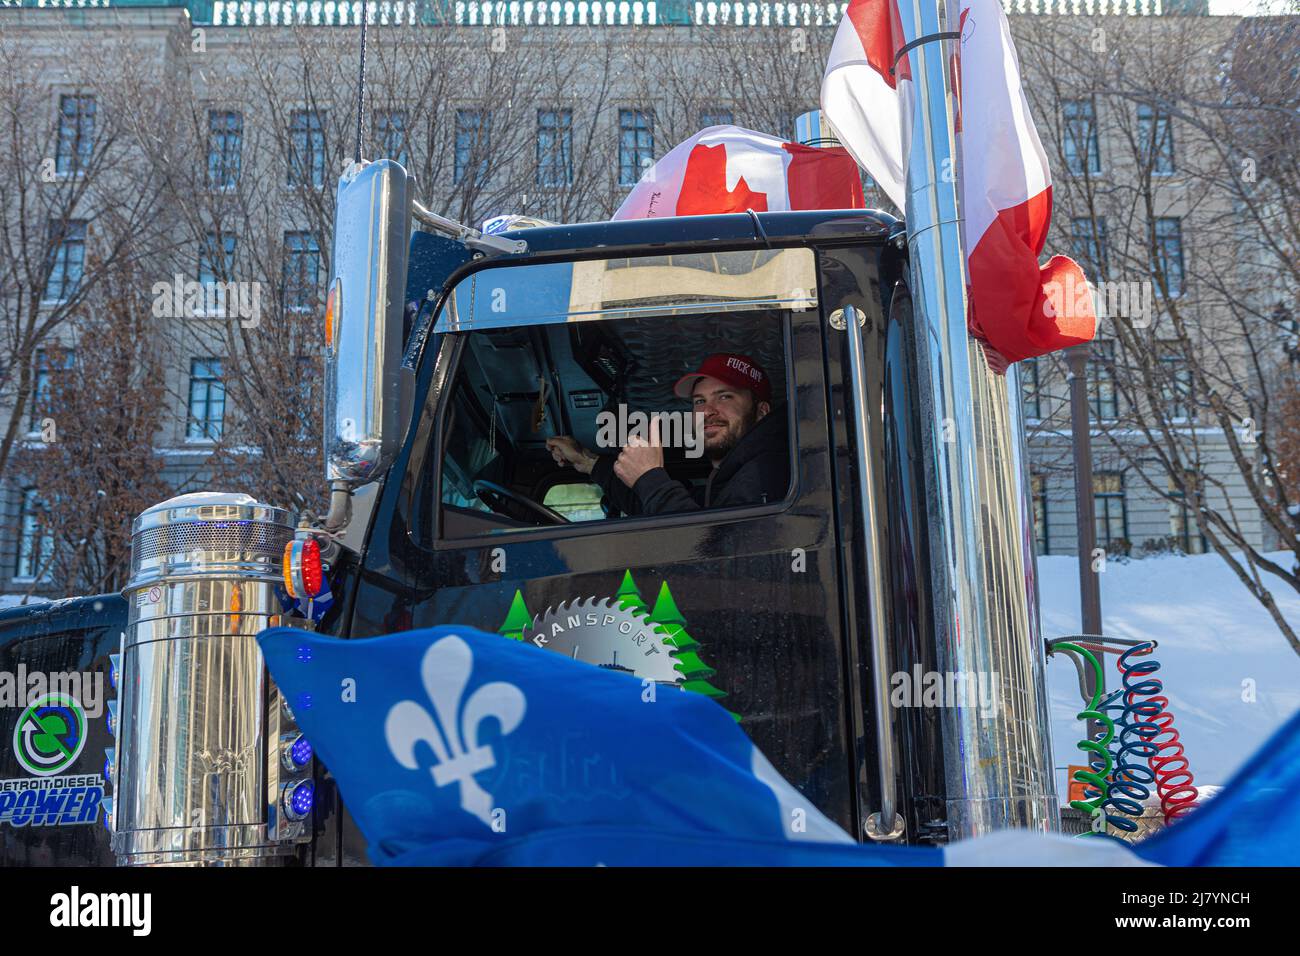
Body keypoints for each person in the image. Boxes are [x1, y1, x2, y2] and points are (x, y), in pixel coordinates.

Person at [546, 353, 789, 516]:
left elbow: (710, 551)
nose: (707, 411)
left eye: (724, 396)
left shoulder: (766, 472)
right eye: (699, 401)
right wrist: (588, 462)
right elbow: (654, 507)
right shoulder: (729, 478)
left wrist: (651, 478)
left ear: (761, 411)